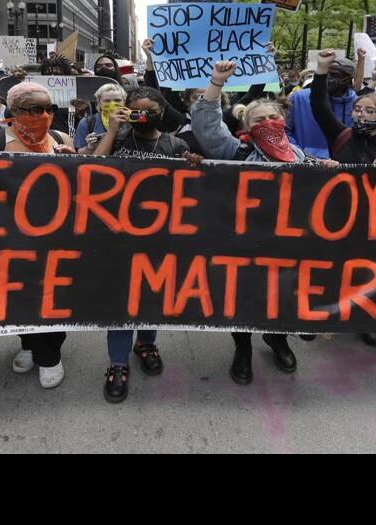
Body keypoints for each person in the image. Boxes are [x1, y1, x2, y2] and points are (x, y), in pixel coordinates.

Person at [192, 60, 338, 385]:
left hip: (288, 246)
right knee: (242, 298)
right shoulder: (235, 152)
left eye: (273, 117)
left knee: (282, 296)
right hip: (243, 244)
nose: (268, 122)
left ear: (283, 121)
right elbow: (205, 125)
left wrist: (330, 172)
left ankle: (277, 339)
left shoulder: (302, 157)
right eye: (259, 119)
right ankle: (242, 348)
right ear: (246, 125)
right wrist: (217, 82)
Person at [91, 86, 200, 403]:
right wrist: (113, 130)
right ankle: (118, 362)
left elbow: (192, 189)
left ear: (161, 113)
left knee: (154, 296)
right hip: (119, 237)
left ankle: (147, 343)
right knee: (122, 304)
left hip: (162, 239)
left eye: (149, 111)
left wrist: (194, 164)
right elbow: (93, 171)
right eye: (135, 110)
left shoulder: (175, 144)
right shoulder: (118, 139)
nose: (142, 116)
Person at [0, 82, 75, 389]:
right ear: (14, 111)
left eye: (49, 108)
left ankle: (51, 354)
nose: (44, 115)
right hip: (9, 239)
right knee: (17, 296)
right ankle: (29, 344)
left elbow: (80, 189)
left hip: (55, 237)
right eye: (35, 109)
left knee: (52, 296)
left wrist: (74, 160)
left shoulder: (61, 138)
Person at [74, 83, 126, 154]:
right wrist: (90, 147)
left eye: (117, 100)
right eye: (107, 101)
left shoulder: (131, 121)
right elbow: (79, 154)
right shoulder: (87, 123)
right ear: (99, 103)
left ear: (124, 102)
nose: (112, 104)